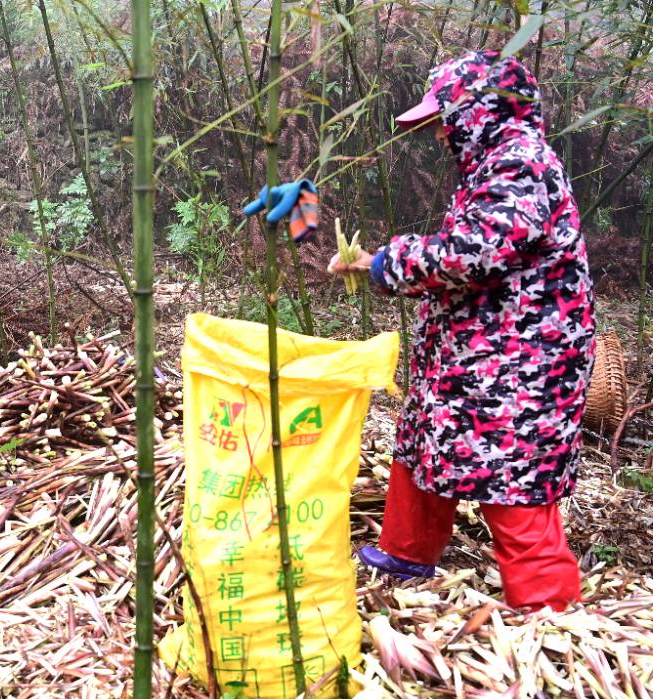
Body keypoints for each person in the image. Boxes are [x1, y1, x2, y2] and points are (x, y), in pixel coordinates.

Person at [251, 50, 594, 612]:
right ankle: (407, 553)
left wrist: (391, 260)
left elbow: (475, 252)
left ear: (479, 112)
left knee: (514, 472)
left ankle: (547, 606)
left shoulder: (521, 162)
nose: (438, 135)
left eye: (444, 121)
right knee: (427, 441)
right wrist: (371, 261)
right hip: (478, 350)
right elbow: (469, 253)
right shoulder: (493, 165)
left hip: (523, 363)